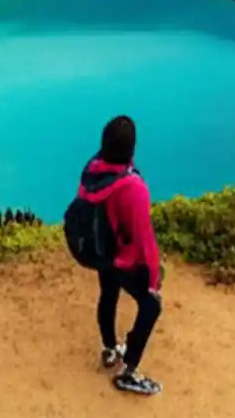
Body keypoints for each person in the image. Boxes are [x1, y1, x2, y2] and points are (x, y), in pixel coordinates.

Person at [76, 115, 163, 396]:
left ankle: (110, 349)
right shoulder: (132, 187)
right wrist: (152, 281)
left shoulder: (93, 169)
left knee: (108, 293)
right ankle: (129, 372)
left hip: (102, 252)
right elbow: (144, 239)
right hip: (123, 258)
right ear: (132, 148)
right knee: (151, 306)